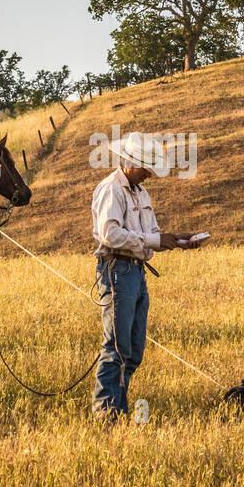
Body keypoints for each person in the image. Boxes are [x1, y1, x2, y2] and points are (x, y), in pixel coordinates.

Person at [90, 131, 204, 422]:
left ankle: (119, 406)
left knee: (134, 348)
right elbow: (110, 234)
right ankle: (107, 414)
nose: (149, 174)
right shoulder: (110, 190)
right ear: (127, 161)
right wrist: (155, 241)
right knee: (116, 346)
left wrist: (175, 241)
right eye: (144, 167)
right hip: (117, 270)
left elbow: (150, 236)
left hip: (137, 272)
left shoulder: (141, 193)